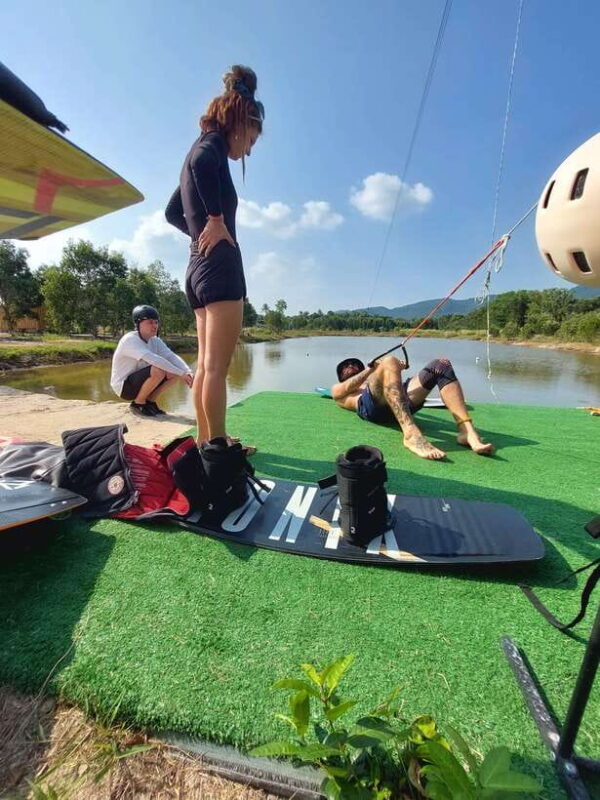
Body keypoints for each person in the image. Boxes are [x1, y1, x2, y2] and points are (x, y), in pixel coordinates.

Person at [165, 65, 264, 447]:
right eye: (251, 140)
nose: (249, 150)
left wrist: (200, 233)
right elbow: (203, 166)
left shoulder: (197, 146)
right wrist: (217, 221)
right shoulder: (211, 149)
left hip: (197, 266)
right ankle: (219, 448)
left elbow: (173, 212)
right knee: (217, 369)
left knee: (207, 367)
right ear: (239, 124)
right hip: (219, 267)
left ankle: (209, 442)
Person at [332, 355, 495, 459]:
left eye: (354, 363)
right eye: (346, 366)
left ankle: (466, 431)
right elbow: (342, 389)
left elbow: (387, 373)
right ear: (341, 376)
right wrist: (373, 369)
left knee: (440, 364)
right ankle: (411, 434)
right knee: (389, 360)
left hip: (400, 399)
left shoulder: (373, 377)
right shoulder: (340, 390)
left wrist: (395, 368)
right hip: (373, 408)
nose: (351, 366)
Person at [110, 305, 193, 417]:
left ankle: (149, 402)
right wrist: (181, 373)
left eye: (156, 322)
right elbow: (155, 360)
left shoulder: (155, 340)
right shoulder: (130, 340)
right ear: (138, 323)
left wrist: (187, 371)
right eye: (150, 322)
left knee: (173, 371)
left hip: (139, 382)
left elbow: (170, 356)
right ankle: (138, 404)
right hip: (124, 387)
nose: (154, 326)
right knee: (158, 369)